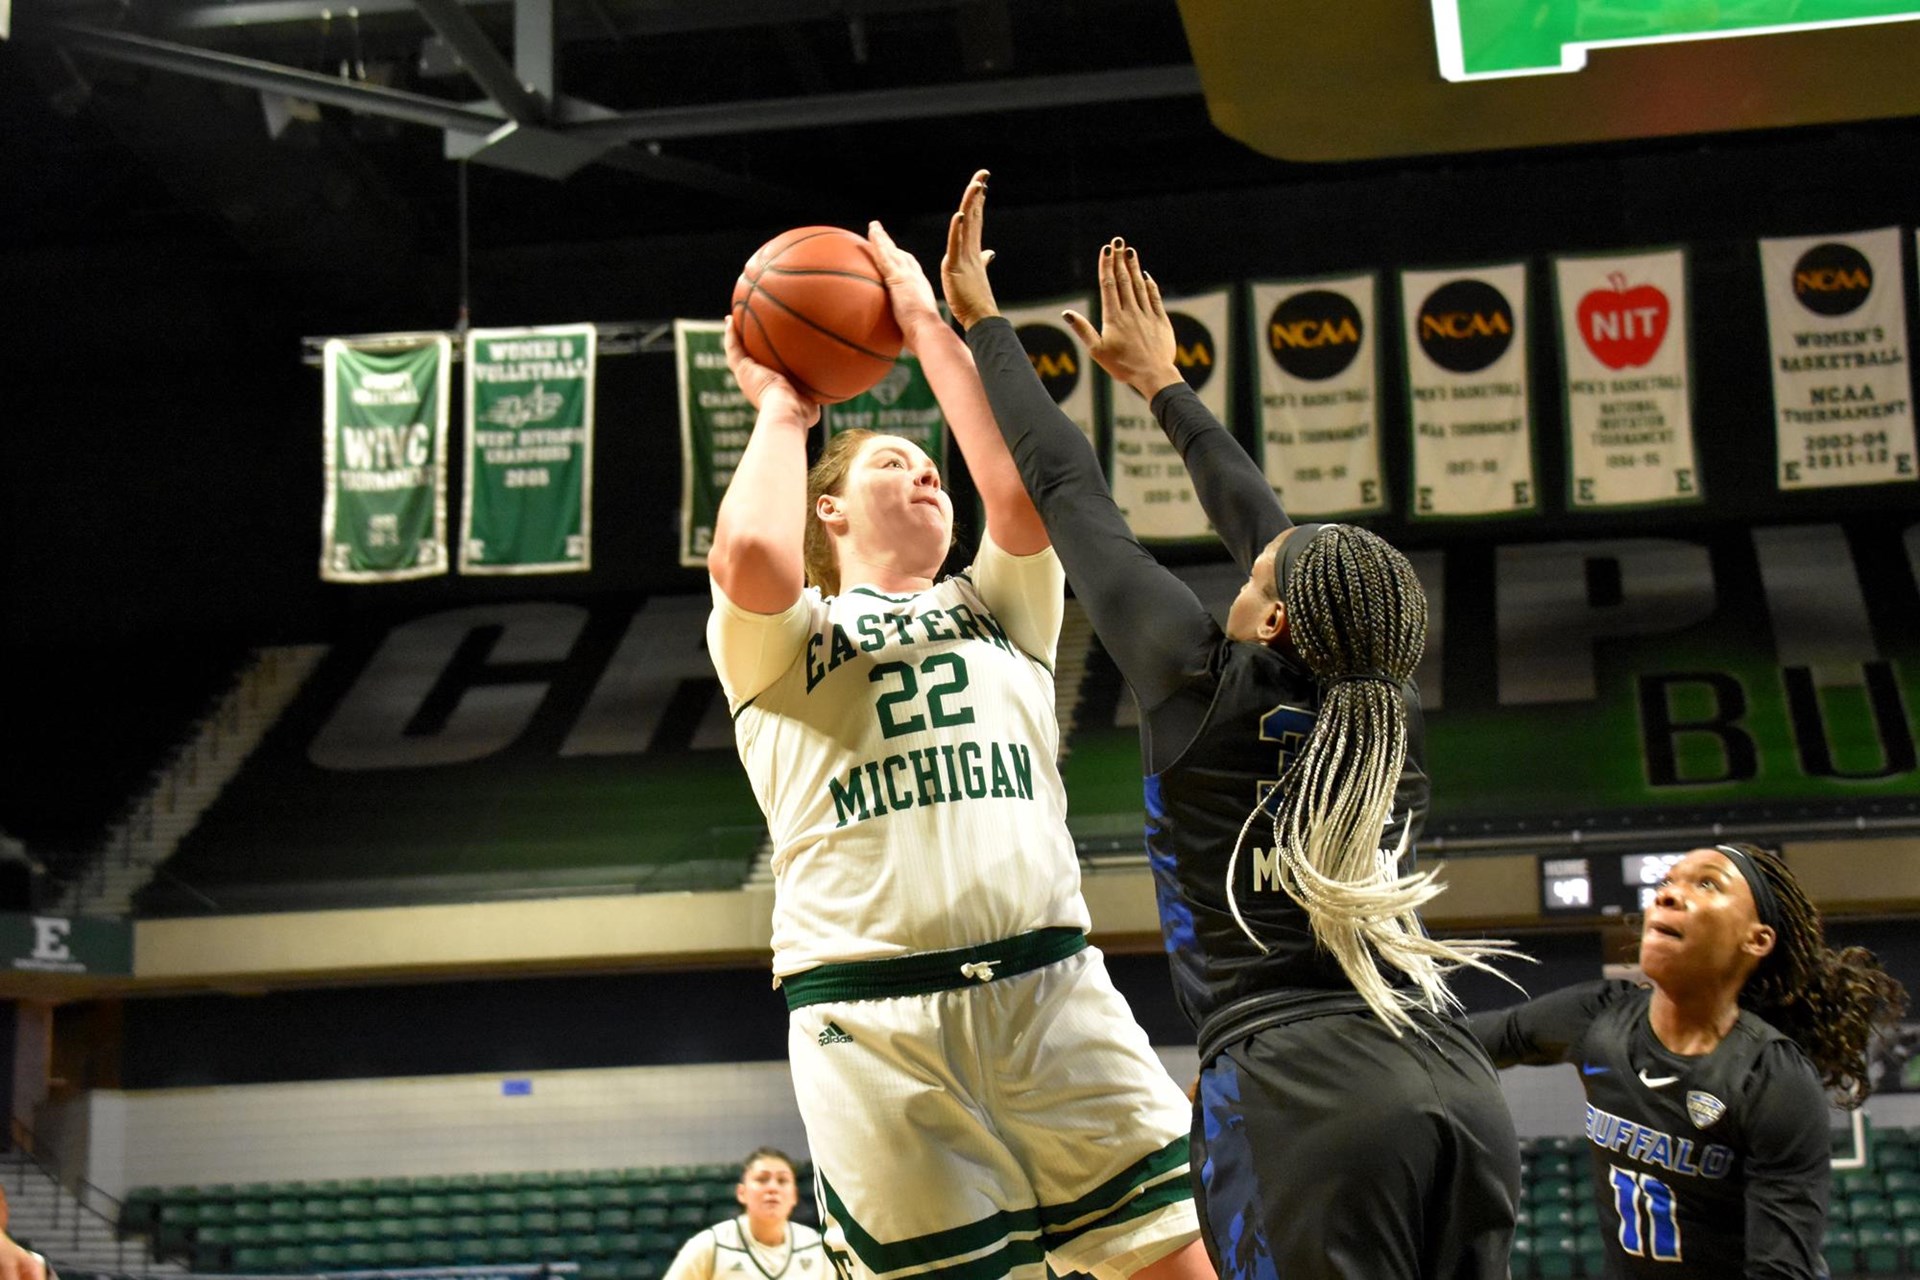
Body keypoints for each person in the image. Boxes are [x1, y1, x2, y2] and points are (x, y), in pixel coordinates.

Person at [941, 169, 1522, 1280]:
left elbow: (1068, 488)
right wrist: (1162, 383)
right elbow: (1276, 536)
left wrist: (985, 324)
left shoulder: (1197, 683)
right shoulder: (1385, 709)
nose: (1243, 566)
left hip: (1302, 1091)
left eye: (1253, 576)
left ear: (1278, 618)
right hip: (1454, 1079)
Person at [705, 219, 1212, 1280]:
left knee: (1183, 1263)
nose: (929, 474)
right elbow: (749, 547)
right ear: (828, 508)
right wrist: (784, 409)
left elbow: (1020, 490)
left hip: (1050, 989)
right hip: (872, 1025)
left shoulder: (1001, 604)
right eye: (897, 461)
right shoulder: (783, 638)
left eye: (933, 464)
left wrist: (928, 322)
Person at [1470, 841, 1908, 1279]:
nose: (1666, 895)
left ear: (1757, 939)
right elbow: (1461, 1042)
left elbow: (1779, 1271)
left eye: (1707, 884)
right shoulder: (1598, 1017)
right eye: (1666, 883)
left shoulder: (1771, 1078)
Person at [662, 1149, 827, 1280]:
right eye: (762, 1179)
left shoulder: (816, 1246)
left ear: (794, 1195)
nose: (772, 1188)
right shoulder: (710, 1245)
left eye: (782, 1181)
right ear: (742, 1193)